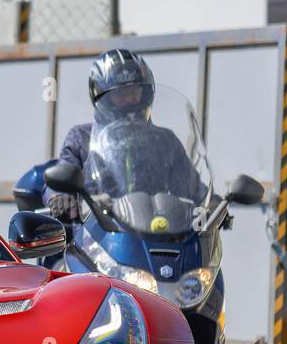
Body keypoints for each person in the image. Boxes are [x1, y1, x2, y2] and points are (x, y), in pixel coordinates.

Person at [47, 48, 203, 220]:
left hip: (157, 232)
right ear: (100, 95)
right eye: (120, 93)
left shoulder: (165, 141)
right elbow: (63, 171)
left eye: (134, 91)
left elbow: (192, 187)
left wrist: (213, 202)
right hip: (96, 234)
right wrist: (59, 197)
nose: (129, 99)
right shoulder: (82, 138)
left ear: (146, 92)